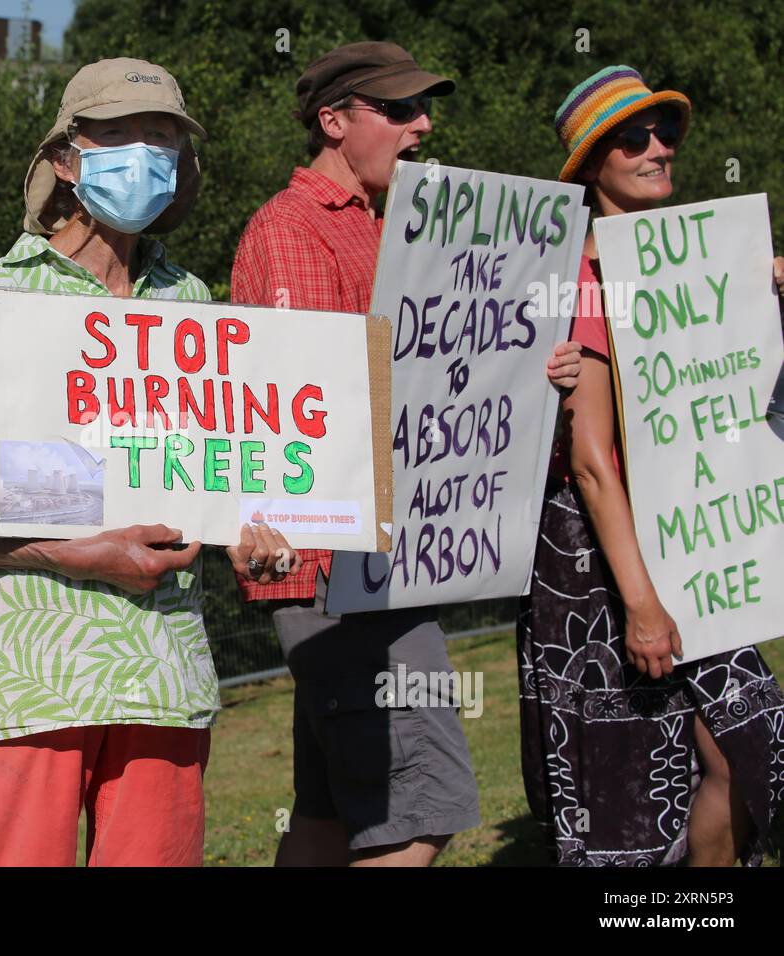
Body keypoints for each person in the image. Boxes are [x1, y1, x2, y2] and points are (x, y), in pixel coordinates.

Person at [0, 57, 298, 867]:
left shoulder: (193, 305)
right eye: (118, 134)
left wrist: (257, 529)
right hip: (23, 690)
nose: (144, 152)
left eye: (163, 136)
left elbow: (219, 480)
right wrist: (77, 553)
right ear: (68, 160)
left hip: (163, 681)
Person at [230, 41, 584, 866]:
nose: (422, 125)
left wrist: (532, 370)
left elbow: (437, 372)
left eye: (423, 108)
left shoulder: (390, 230)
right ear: (333, 121)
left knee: (326, 817)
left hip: (376, 567)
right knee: (418, 809)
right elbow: (306, 402)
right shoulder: (292, 229)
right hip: (337, 566)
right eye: (397, 110)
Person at [519, 65, 784, 865]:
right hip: (600, 567)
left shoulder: (699, 263)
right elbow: (592, 459)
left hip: (692, 545)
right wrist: (640, 603)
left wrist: (763, 289)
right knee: (631, 795)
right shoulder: (583, 273)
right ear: (592, 163)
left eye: (665, 133)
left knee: (751, 742)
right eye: (631, 138)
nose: (657, 148)